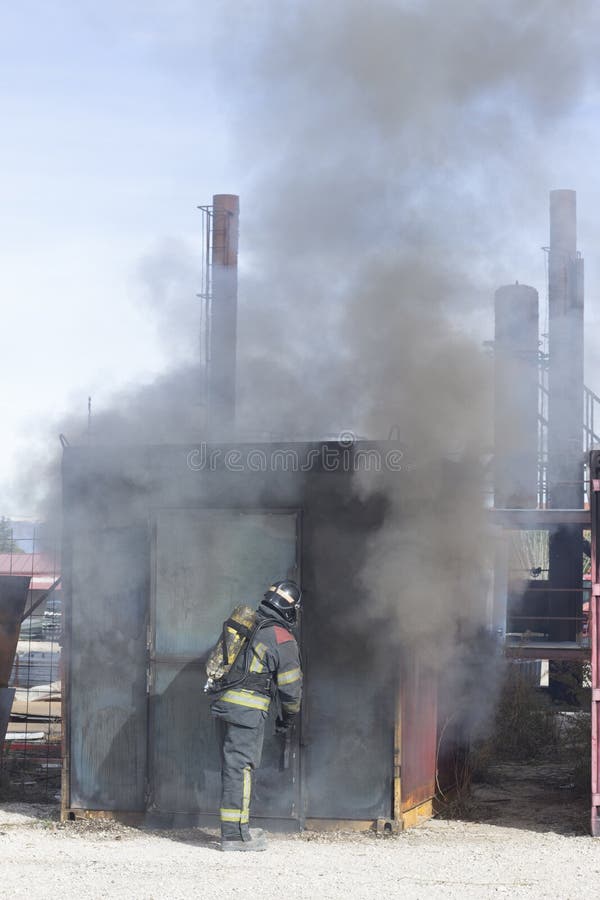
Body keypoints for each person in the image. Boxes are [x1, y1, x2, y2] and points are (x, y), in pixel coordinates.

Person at [210, 579, 302, 852]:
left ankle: (240, 827)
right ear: (289, 609)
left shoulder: (248, 624)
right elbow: (291, 689)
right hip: (247, 711)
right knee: (240, 769)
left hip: (224, 705)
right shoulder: (281, 638)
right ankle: (235, 836)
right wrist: (288, 718)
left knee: (234, 768)